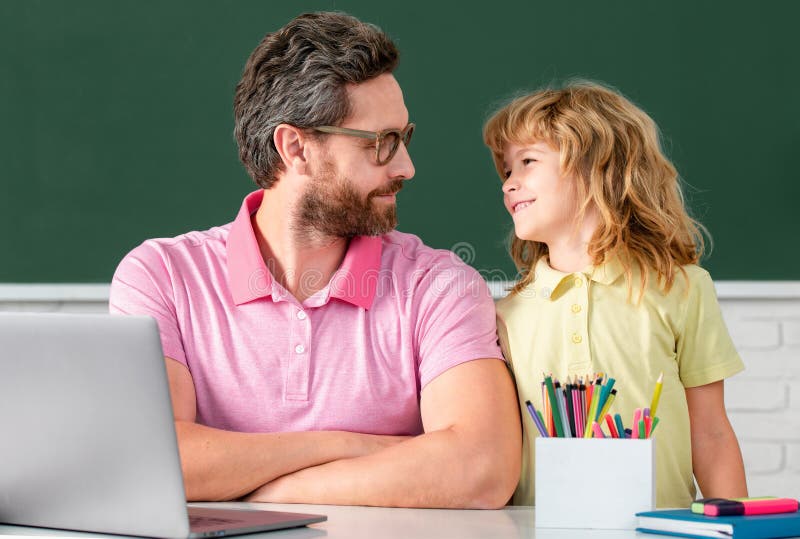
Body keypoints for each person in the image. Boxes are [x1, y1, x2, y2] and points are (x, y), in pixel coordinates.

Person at [109, 12, 520, 507]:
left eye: (404, 139)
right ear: (295, 147)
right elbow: (148, 462)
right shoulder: (161, 277)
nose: (406, 167)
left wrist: (258, 490)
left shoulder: (442, 286)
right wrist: (341, 444)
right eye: (382, 144)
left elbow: (482, 468)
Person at [483, 81, 747, 508]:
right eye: (507, 170)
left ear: (595, 166)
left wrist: (738, 529)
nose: (508, 184)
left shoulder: (681, 289)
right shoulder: (505, 315)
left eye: (527, 162)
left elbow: (711, 431)